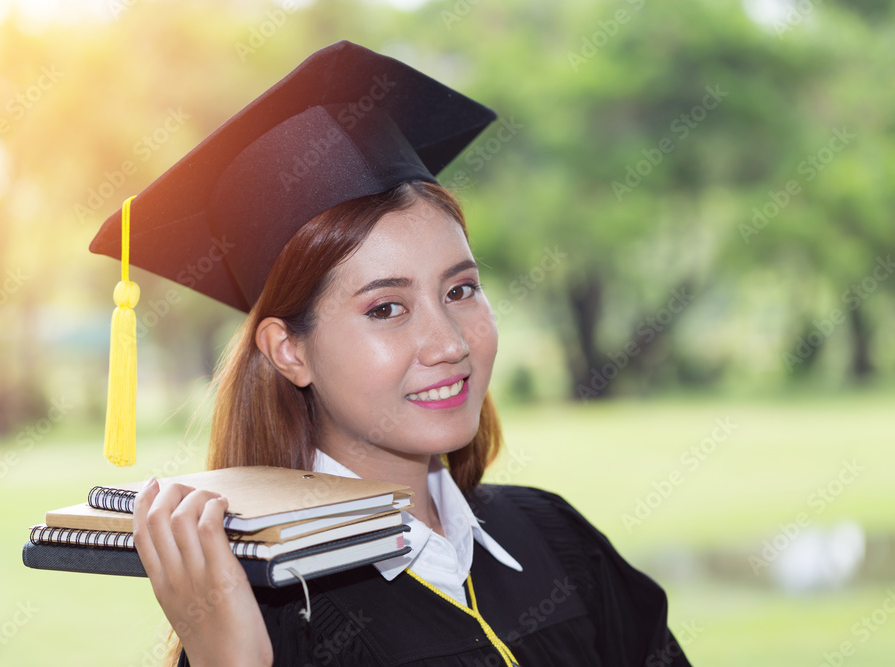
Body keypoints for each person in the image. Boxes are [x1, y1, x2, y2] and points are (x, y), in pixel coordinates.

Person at [90, 40, 692, 667]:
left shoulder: (553, 538)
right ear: (289, 351)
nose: (450, 343)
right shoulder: (266, 615)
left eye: (460, 290)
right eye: (386, 308)